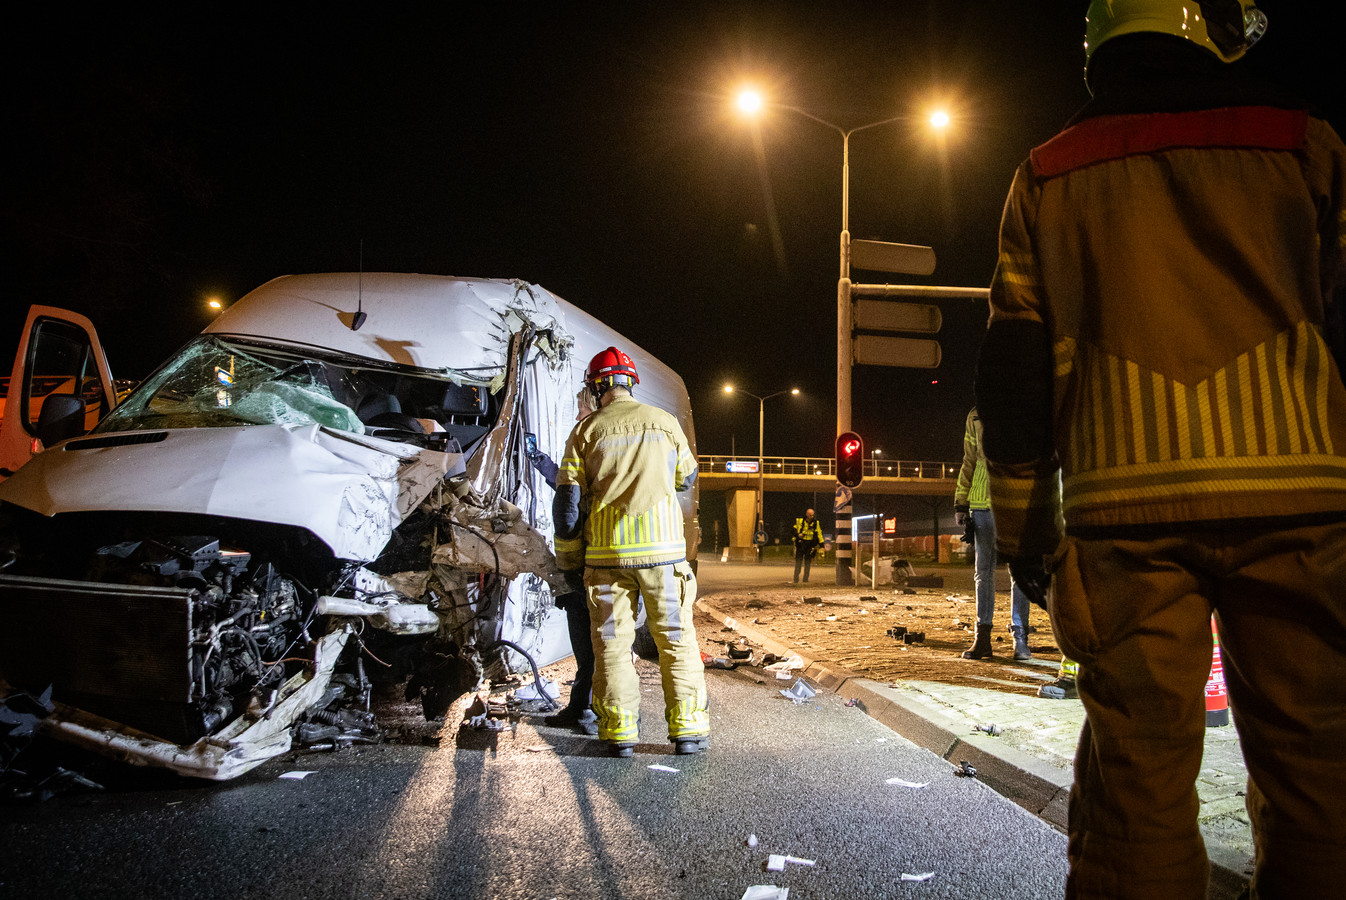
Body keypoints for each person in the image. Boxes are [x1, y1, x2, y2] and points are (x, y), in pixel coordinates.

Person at [974, 3, 1346, 897]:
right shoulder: (1307, 145)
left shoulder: (1048, 173)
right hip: (1304, 502)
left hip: (1124, 520)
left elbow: (1015, 375)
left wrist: (1029, 540)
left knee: (1134, 797)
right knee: (1321, 780)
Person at [553, 346, 709, 757]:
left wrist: (568, 560)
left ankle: (620, 735)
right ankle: (688, 732)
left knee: (611, 645)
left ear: (597, 386)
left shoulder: (585, 432)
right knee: (676, 641)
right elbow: (687, 477)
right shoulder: (665, 422)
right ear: (630, 383)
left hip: (607, 560)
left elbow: (567, 504)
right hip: (664, 557)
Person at [528, 388, 600, 734]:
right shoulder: (604, 445)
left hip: (589, 560)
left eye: (581, 408)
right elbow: (570, 486)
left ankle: (585, 708)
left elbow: (569, 500)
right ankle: (585, 705)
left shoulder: (592, 441)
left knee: (590, 643)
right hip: (606, 560)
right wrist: (542, 463)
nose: (576, 417)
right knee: (598, 643)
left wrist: (568, 561)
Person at [953, 407, 1032, 661]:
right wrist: (961, 502)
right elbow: (969, 460)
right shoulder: (975, 415)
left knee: (1019, 571)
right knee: (982, 573)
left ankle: (1020, 639)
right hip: (982, 504)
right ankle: (982, 638)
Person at [791, 508, 823, 583]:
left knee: (807, 563)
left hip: (810, 545)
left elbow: (819, 533)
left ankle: (805, 579)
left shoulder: (816, 523)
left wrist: (822, 545)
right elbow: (793, 530)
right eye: (810, 515)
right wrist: (798, 535)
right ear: (806, 515)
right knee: (798, 562)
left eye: (812, 515)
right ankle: (796, 579)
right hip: (800, 544)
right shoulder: (799, 521)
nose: (811, 517)